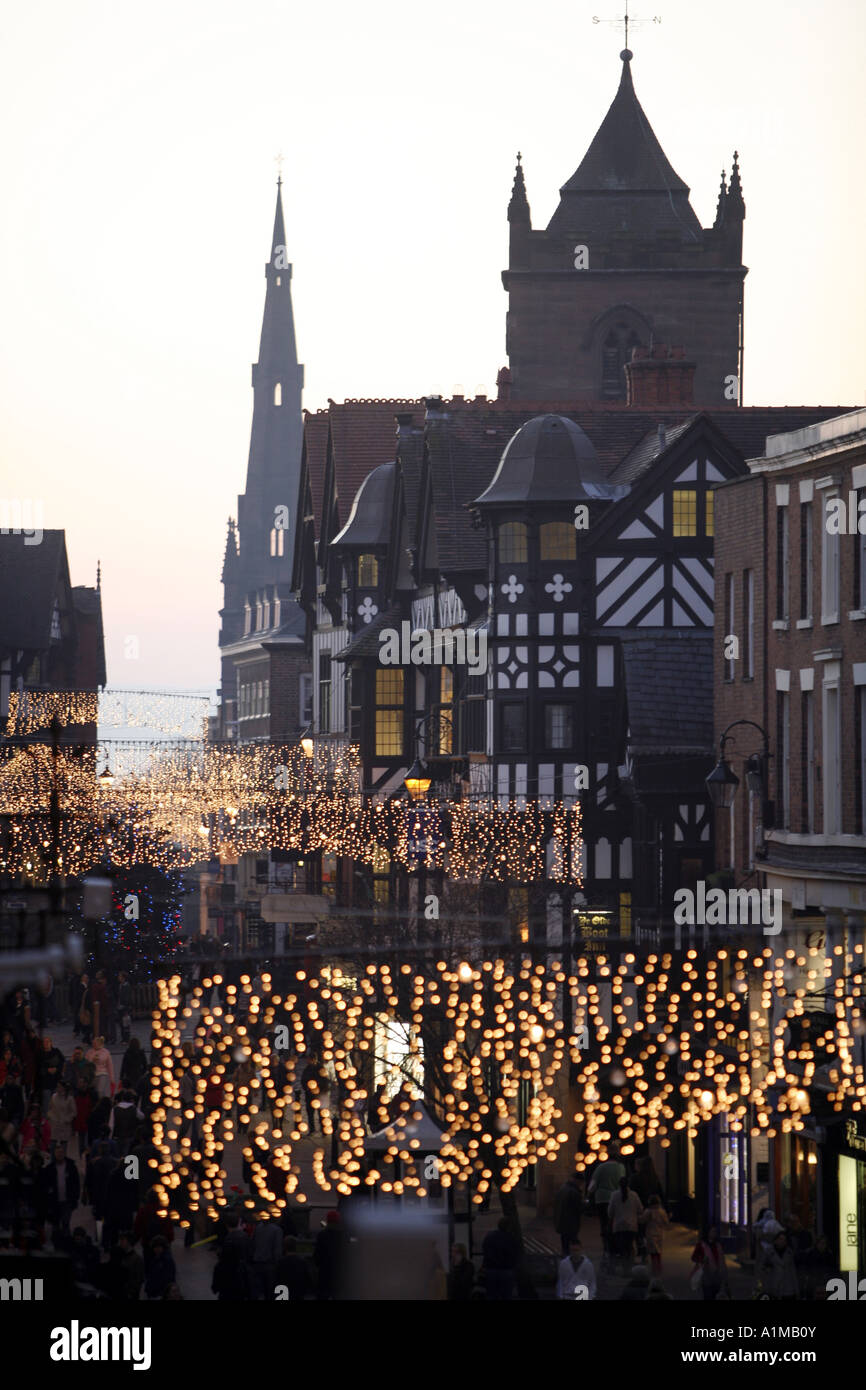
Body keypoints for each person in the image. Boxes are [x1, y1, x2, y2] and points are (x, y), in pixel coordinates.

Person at [587, 1145, 625, 1266]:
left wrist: (589, 1195)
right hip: (617, 1198)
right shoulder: (621, 1167)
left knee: (604, 1223)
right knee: (615, 1223)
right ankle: (616, 1248)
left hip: (602, 1199)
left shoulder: (601, 1167)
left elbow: (592, 1185)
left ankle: (607, 1248)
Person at [39, 1141, 81, 1241]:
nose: (60, 1154)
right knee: (55, 1225)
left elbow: (76, 1184)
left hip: (67, 1201)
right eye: (58, 1153)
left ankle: (66, 1244)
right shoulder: (49, 1169)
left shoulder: (71, 1167)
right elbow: (46, 1186)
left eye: (61, 1152)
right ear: (54, 1154)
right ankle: (56, 1244)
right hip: (55, 1202)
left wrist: (75, 1198)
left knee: (66, 1223)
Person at [608, 1175, 644, 1275]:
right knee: (629, 1247)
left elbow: (610, 1212)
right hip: (631, 1225)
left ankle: (624, 1267)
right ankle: (629, 1267)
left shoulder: (614, 1195)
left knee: (622, 1247)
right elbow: (640, 1209)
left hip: (618, 1226)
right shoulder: (634, 1195)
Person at [480, 1217, 520, 1301]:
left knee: (491, 1294)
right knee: (506, 1295)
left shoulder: (490, 1237)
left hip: (491, 1269)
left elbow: (485, 1250)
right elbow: (515, 1254)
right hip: (506, 1270)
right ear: (509, 1227)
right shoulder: (511, 1238)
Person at [313, 1209, 347, 1300]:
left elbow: (317, 1255)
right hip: (339, 1273)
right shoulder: (343, 1236)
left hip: (325, 1272)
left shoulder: (322, 1235)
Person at [691, 1226, 729, 1300]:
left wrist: (725, 1275)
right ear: (707, 1233)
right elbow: (693, 1257)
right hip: (706, 1275)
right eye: (712, 1231)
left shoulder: (718, 1245)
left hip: (717, 1275)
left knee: (716, 1294)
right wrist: (702, 1259)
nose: (714, 1234)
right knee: (708, 1295)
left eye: (715, 1232)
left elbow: (722, 1260)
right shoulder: (701, 1245)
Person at [759, 1231, 799, 1300]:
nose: (782, 1241)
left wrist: (796, 1289)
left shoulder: (789, 1253)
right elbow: (761, 1268)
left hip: (787, 1287)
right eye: (780, 1239)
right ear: (776, 1240)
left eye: (784, 1240)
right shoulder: (768, 1252)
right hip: (773, 1286)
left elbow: (793, 1271)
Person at [273, 1235, 313, 1300]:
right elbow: (308, 1279)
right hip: (298, 1293)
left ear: (284, 1247)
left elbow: (276, 1280)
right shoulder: (302, 1262)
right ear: (295, 1247)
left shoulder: (281, 1262)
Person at [553, 1173, 584, 1256]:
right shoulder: (573, 1191)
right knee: (572, 1240)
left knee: (565, 1240)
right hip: (570, 1221)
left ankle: (566, 1255)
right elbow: (578, 1207)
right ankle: (571, 1257)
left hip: (562, 1220)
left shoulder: (564, 1188)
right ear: (578, 1181)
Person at [642, 1193, 670, 1276]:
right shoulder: (662, 1212)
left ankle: (654, 1269)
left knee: (653, 1253)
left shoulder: (648, 1212)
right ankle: (659, 1268)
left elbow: (642, 1220)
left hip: (650, 1233)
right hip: (660, 1234)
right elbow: (666, 1223)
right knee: (658, 1252)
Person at [143, 1234, 176, 1299]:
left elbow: (169, 1278)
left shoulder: (167, 1260)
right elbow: (149, 1275)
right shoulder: (153, 1258)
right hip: (153, 1292)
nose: (156, 1249)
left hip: (161, 1293)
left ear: (163, 1247)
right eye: (155, 1247)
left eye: (159, 1247)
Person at [47, 1081, 76, 1148]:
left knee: (63, 1145)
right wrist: (50, 1117)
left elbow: (73, 1112)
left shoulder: (69, 1098)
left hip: (64, 1125)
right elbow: (50, 1108)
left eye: (59, 1086)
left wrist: (67, 1119)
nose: (58, 1088)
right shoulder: (53, 1096)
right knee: (53, 1144)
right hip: (54, 1123)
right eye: (57, 1086)